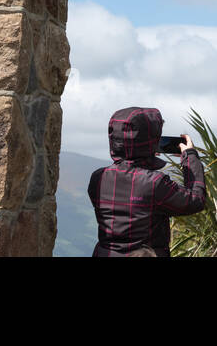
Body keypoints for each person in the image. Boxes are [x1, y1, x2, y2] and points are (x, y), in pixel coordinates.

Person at [87, 106, 206, 257]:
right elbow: (196, 200)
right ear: (151, 140)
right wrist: (190, 157)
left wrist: (145, 155)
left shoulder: (98, 178)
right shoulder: (155, 183)